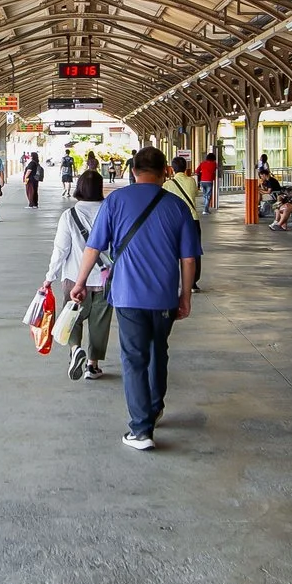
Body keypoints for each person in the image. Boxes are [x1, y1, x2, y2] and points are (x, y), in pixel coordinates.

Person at [69, 146, 200, 452]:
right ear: (165, 170)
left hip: (127, 296)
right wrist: (185, 297)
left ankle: (141, 429)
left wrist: (79, 283)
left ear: (132, 171)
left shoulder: (116, 201)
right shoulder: (177, 207)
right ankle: (154, 410)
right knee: (159, 351)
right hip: (165, 296)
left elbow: (93, 247)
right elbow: (189, 260)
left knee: (134, 358)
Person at [43, 170, 114, 381]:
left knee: (72, 316)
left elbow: (60, 250)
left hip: (75, 278)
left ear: (79, 188)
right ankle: (92, 365)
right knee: (100, 322)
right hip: (104, 278)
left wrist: (50, 277)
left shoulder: (69, 216)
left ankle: (75, 350)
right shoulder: (110, 212)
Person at [166, 155, 206, 291]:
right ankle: (193, 283)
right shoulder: (191, 181)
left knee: (171, 250)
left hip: (174, 222)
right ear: (186, 168)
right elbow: (194, 194)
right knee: (193, 251)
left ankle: (172, 280)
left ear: (172, 169)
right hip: (192, 219)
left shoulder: (167, 184)